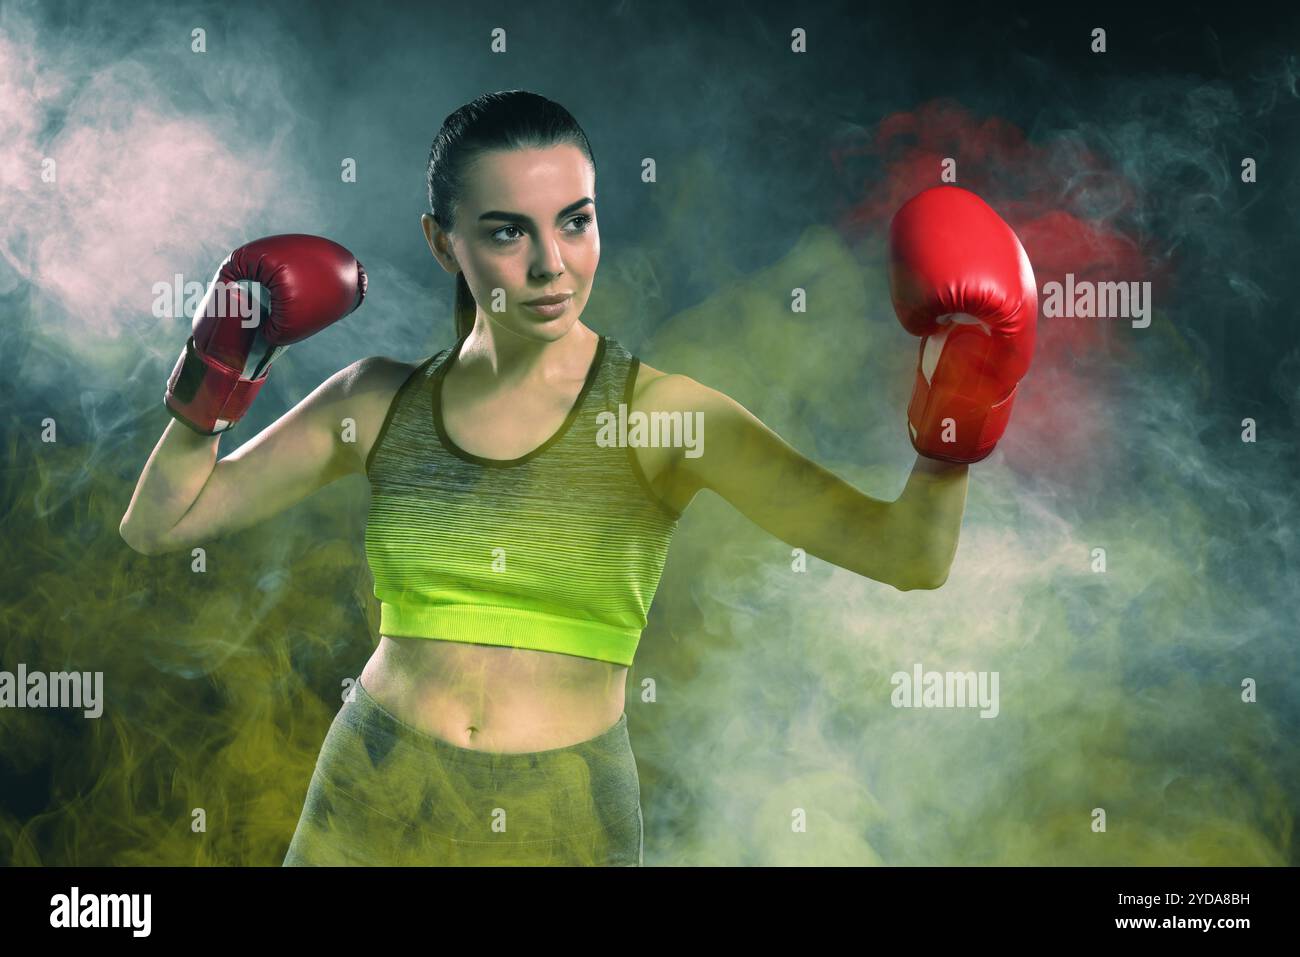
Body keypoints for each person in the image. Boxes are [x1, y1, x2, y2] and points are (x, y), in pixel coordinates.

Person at [118, 90, 1035, 866]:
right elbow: (160, 525)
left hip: (563, 814)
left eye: (576, 220)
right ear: (445, 245)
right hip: (373, 788)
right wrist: (220, 361)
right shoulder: (376, 401)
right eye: (508, 231)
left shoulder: (666, 416)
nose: (552, 264)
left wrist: (962, 405)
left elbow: (908, 555)